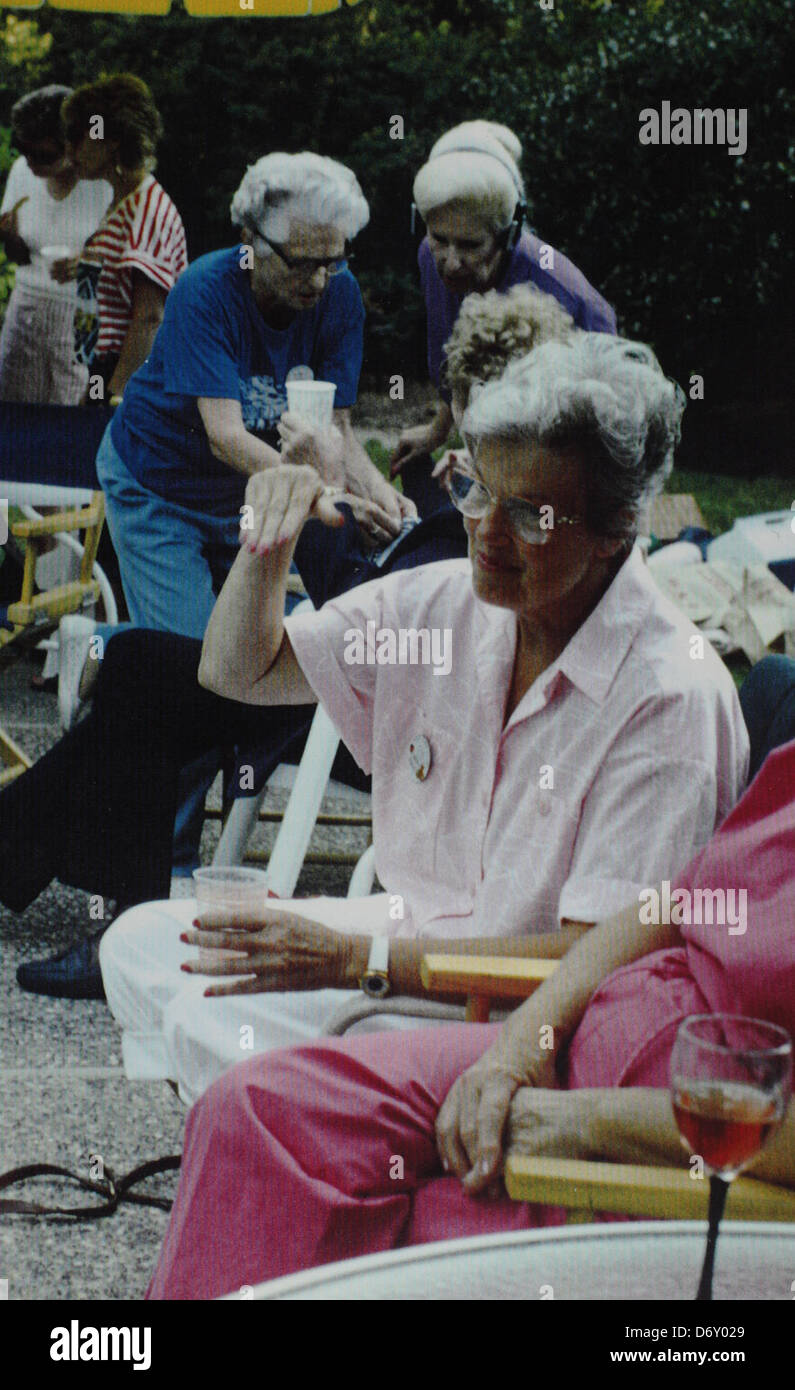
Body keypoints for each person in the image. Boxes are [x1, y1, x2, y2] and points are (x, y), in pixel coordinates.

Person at [96, 332, 747, 1104]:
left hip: (515, 1021)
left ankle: (299, 1152)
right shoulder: (444, 605)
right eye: (474, 487)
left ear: (617, 530)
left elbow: (597, 964)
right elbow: (238, 671)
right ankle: (289, 1144)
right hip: (405, 948)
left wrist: (354, 957)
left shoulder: (668, 696)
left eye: (529, 516)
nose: (483, 529)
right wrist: (266, 540)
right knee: (139, 942)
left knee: (211, 1026)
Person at [5, 282, 577, 1000]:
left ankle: (116, 909)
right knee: (141, 666)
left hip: (389, 726)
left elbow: (380, 625)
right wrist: (386, 529)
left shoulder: (499, 505)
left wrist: (323, 486)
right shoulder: (481, 484)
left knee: (142, 670)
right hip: (366, 697)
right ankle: (56, 871)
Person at [145, 731, 795, 1299]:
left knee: (360, 1236)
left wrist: (589, 1122)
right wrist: (520, 1045)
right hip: (591, 1035)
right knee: (256, 1110)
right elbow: (664, 911)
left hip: (687, 1148)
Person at [389, 120, 616, 504]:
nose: (451, 261)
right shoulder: (430, 258)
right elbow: (454, 364)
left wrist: (494, 467)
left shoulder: (566, 295)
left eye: (470, 245)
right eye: (439, 238)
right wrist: (438, 430)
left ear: (508, 234)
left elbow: (596, 436)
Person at [57, 74, 187, 399]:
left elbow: (148, 318)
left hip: (128, 377)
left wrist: (114, 397)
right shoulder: (123, 201)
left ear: (111, 138)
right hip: (106, 367)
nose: (69, 148)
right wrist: (88, 266)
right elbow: (125, 289)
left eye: (78, 135)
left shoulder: (146, 211)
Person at [0, 85, 111, 404]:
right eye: (24, 150)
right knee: (14, 411)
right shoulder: (23, 172)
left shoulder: (103, 184)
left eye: (44, 156)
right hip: (26, 308)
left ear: (74, 145)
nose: (32, 163)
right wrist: (10, 238)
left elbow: (127, 271)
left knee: (69, 411)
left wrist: (91, 266)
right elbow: (19, 258)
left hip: (81, 313)